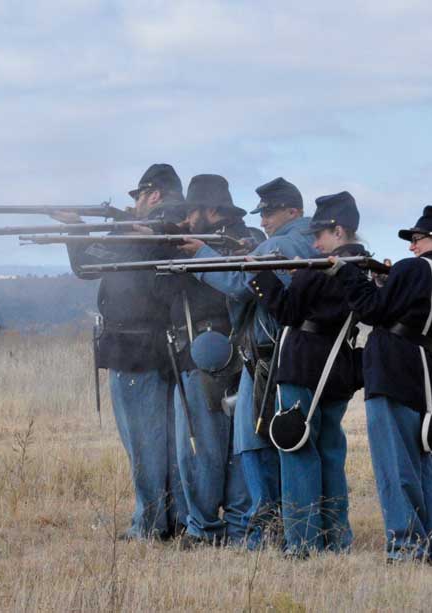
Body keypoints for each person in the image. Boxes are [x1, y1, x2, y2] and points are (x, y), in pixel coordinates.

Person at [179, 177, 317, 549]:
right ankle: (291, 531)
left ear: (293, 210)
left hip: (266, 356)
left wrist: (202, 255)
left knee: (254, 445)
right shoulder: (306, 240)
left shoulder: (282, 243)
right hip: (290, 353)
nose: (266, 219)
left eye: (271, 212)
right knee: (288, 446)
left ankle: (261, 532)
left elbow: (240, 285)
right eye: (264, 213)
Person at [329, 205, 432, 563]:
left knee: (394, 466)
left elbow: (371, 311)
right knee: (420, 465)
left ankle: (406, 547)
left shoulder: (412, 270)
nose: (412, 246)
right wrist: (386, 285)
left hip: (391, 367)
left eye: (418, 238)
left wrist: (347, 275)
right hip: (424, 369)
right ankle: (431, 546)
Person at [59, 164, 187, 540]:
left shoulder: (153, 229)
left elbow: (89, 264)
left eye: (139, 198)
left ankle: (151, 524)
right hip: (152, 348)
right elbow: (93, 264)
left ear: (153, 195)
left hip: (136, 349)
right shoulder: (168, 227)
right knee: (162, 444)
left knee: (145, 444)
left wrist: (78, 229)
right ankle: (173, 518)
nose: (135, 206)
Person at [247, 192, 365, 556]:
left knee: (295, 446)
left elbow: (287, 310)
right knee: (329, 452)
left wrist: (260, 275)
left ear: (340, 231)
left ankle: (301, 542)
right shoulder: (361, 267)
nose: (315, 243)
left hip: (301, 365)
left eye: (322, 234)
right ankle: (335, 539)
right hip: (336, 367)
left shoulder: (323, 270)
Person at [156, 174, 263, 547]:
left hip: (216, 356)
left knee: (203, 451)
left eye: (193, 212)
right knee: (220, 449)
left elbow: (238, 284)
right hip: (215, 355)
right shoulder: (219, 242)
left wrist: (198, 252)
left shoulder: (244, 242)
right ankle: (230, 527)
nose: (187, 220)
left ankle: (209, 529)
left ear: (212, 211)